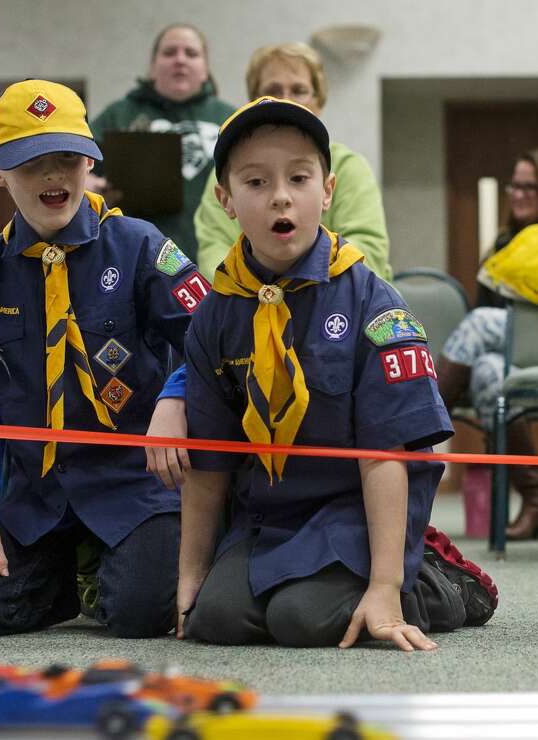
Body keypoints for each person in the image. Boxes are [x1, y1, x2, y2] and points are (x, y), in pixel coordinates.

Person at [157, 97, 498, 649]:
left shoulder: (370, 300)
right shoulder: (219, 310)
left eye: (299, 177)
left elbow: (390, 454)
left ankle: (435, 581)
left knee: (303, 619)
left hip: (356, 509)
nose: (281, 197)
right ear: (226, 199)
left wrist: (385, 585)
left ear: (328, 189)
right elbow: (210, 462)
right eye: (256, 182)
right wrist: (189, 576)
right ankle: (315, 583)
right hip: (269, 514)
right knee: (215, 621)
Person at [0, 79, 204, 637]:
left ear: (89, 162)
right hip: (42, 493)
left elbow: (212, 340)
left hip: (134, 484)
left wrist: (175, 399)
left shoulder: (140, 245)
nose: (54, 176)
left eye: (67, 159)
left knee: (141, 613)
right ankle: (82, 572)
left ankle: (110, 571)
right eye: (31, 164)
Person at [435, 146, 538, 540]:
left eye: (531, 186)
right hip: (514, 366)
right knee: (489, 374)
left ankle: (414, 439)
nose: (518, 193)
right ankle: (536, 500)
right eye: (515, 185)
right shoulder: (503, 248)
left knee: (476, 326)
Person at [193, 42, 391, 280]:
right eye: (273, 91)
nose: (285, 100)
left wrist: (293, 290)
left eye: (298, 90)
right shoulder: (228, 172)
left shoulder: (349, 166)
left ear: (318, 101)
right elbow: (214, 255)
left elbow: (368, 252)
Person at [90, 23, 235, 261]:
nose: (180, 60)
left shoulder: (229, 118)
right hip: (135, 256)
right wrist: (89, 183)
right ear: (152, 67)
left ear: (205, 69)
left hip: (215, 259)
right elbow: (77, 161)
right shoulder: (119, 115)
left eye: (191, 53)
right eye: (169, 53)